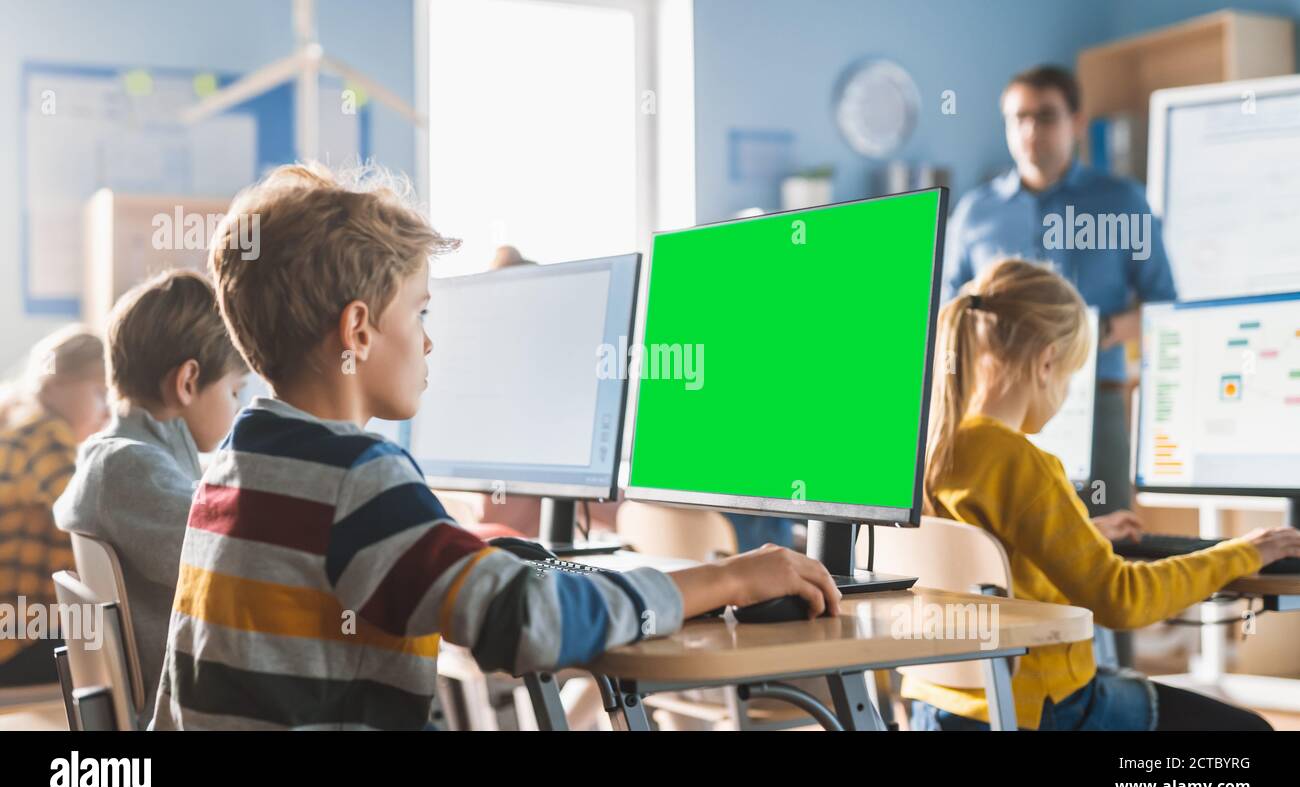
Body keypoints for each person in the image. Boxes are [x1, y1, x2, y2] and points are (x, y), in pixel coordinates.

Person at [150, 163, 841, 730]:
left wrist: (513, 558)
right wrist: (729, 579)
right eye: (419, 312)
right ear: (358, 330)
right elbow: (528, 623)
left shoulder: (235, 467)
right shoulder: (360, 478)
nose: (428, 340)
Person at [907, 258, 1300, 730]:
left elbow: (987, 561)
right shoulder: (1021, 462)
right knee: (1248, 730)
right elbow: (1121, 598)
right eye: (1072, 374)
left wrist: (1082, 534)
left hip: (939, 709)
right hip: (1041, 708)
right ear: (1047, 362)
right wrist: (1241, 552)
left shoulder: (934, 445)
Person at [942, 64, 1176, 516]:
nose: (1031, 130)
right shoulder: (975, 212)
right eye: (1019, 118)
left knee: (1106, 539)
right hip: (999, 405)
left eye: (1046, 116)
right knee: (1005, 548)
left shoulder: (1122, 201)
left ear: (1077, 122)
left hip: (1097, 401)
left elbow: (1164, 308)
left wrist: (1099, 330)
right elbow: (950, 313)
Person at [54, 269, 247, 720]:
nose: (238, 408)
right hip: (185, 713)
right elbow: (225, 558)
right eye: (235, 391)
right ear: (187, 382)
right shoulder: (128, 468)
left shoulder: (124, 458)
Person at [0, 326, 107, 685]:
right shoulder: (45, 433)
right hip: (15, 636)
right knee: (113, 645)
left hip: (14, 626)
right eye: (98, 393)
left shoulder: (18, 423)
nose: (106, 411)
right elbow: (87, 514)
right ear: (56, 384)